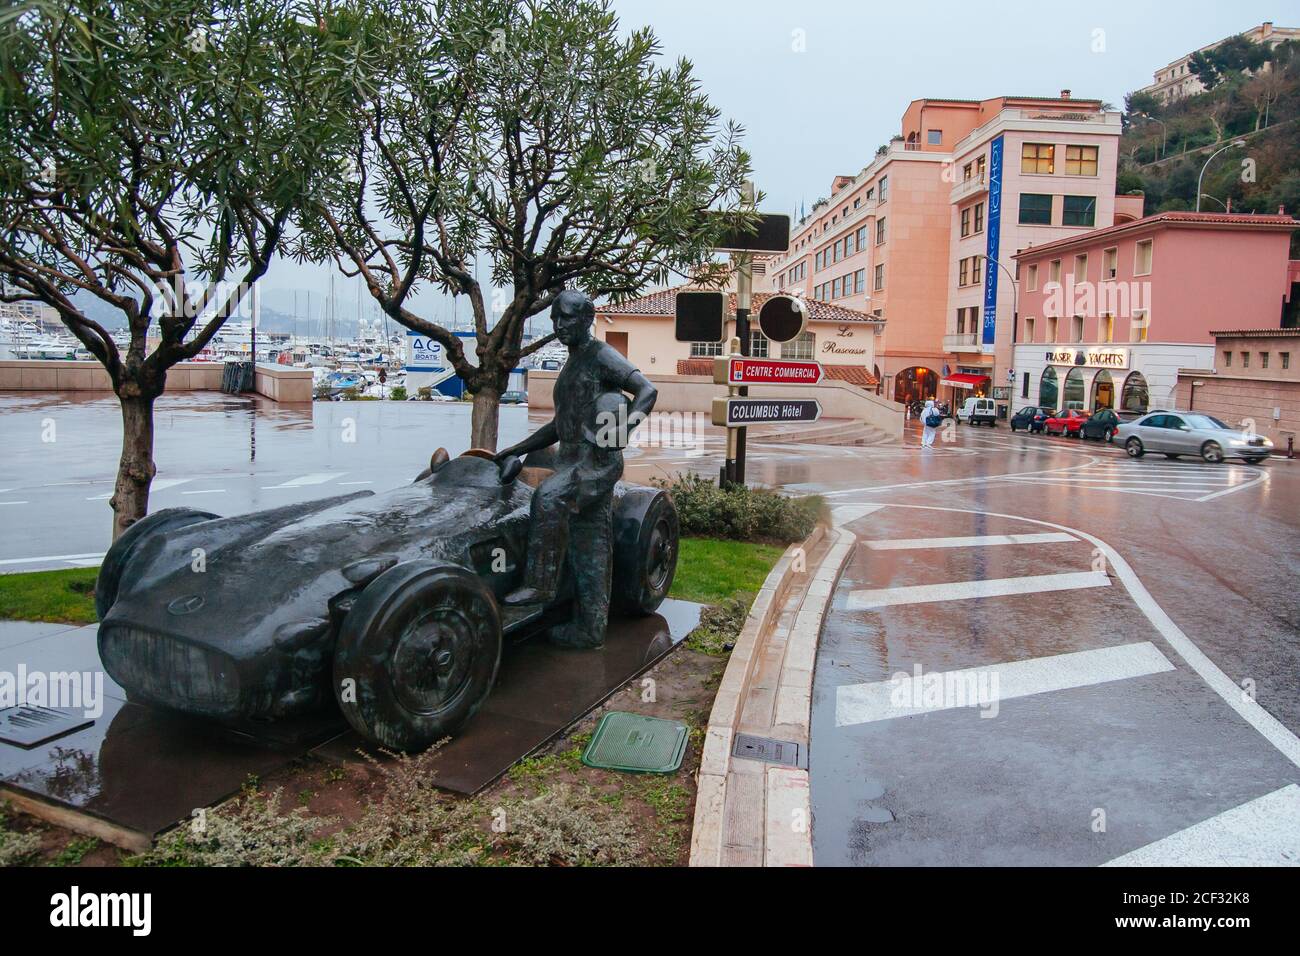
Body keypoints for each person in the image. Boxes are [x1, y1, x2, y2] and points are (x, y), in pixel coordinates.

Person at [492, 290, 657, 648]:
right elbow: (560, 425)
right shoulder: (572, 363)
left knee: (547, 499)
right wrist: (517, 449)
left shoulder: (601, 355)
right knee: (591, 546)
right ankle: (589, 629)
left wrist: (620, 431)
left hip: (593, 463)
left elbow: (647, 391)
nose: (559, 325)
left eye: (567, 318)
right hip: (572, 458)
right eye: (555, 319)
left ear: (586, 320)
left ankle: (540, 584)